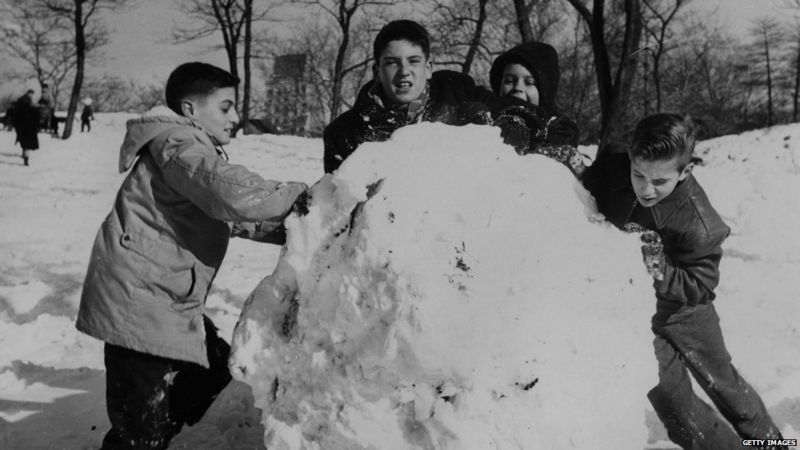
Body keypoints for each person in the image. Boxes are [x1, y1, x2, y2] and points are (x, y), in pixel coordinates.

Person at [76, 62, 308, 450]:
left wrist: (303, 226)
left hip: (163, 298)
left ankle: (154, 435)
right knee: (140, 427)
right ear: (190, 109)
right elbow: (225, 190)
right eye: (225, 107)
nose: (235, 118)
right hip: (138, 301)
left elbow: (228, 214)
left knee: (212, 371)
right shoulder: (179, 144)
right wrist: (303, 197)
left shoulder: (185, 149)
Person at [581, 113, 784, 449]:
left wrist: (661, 268)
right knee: (672, 400)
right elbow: (585, 185)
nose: (646, 189)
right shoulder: (614, 168)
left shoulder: (702, 223)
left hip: (688, 313)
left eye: (660, 181)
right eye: (638, 175)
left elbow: (701, 285)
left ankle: (771, 445)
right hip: (637, 311)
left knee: (724, 384)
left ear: (685, 171)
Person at [323, 19, 552, 174]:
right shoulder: (344, 134)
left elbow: (530, 114)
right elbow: (335, 211)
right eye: (392, 63)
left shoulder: (457, 91)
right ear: (376, 71)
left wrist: (511, 128)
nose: (404, 72)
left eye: (414, 61)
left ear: (428, 67)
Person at [489, 41, 579, 147]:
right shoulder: (487, 112)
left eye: (529, 83)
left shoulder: (559, 128)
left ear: (545, 92)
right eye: (509, 81)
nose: (517, 87)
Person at [12, 89, 39, 166]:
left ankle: (24, 155)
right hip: (29, 128)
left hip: (21, 127)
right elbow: (37, 118)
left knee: (24, 142)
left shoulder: (19, 105)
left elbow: (15, 117)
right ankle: (26, 158)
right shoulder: (32, 108)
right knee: (28, 144)